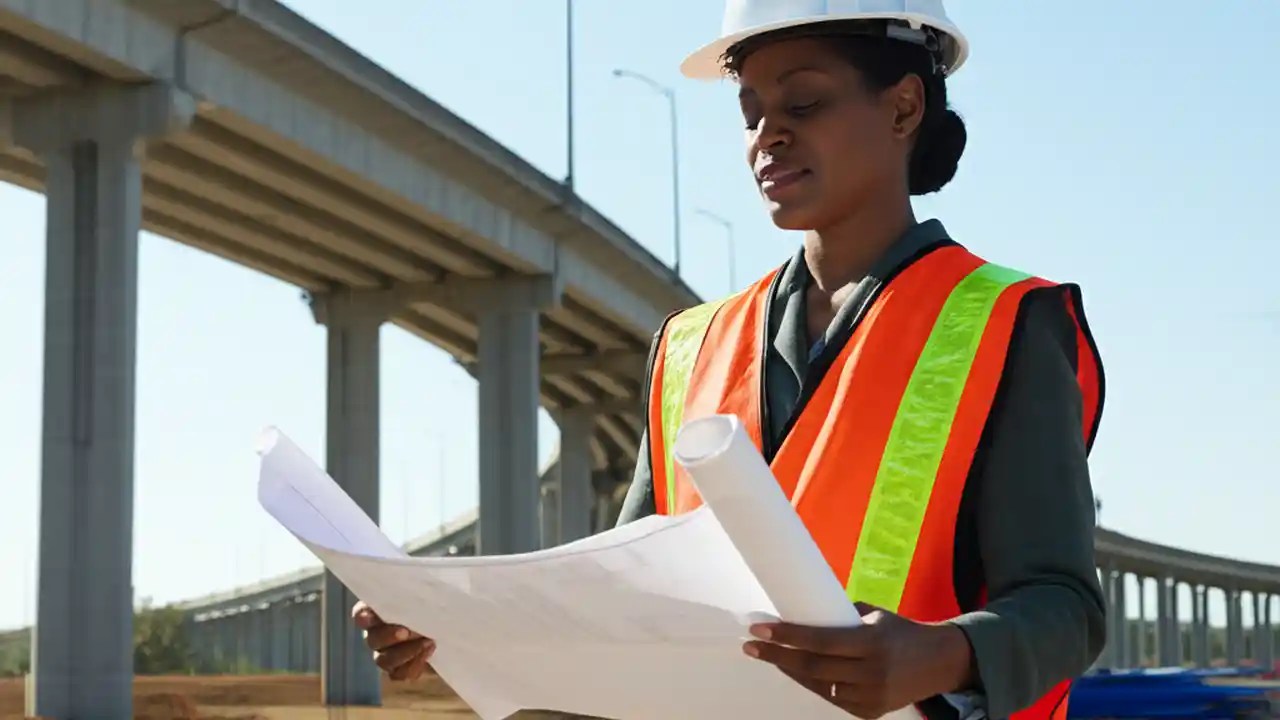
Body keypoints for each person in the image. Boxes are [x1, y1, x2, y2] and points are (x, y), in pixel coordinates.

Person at [354, 1, 1107, 718]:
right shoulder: (692, 346)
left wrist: (939, 655)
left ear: (904, 108)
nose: (767, 135)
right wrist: (461, 629)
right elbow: (624, 608)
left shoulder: (1005, 324)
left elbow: (1064, 608)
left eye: (802, 105)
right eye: (751, 112)